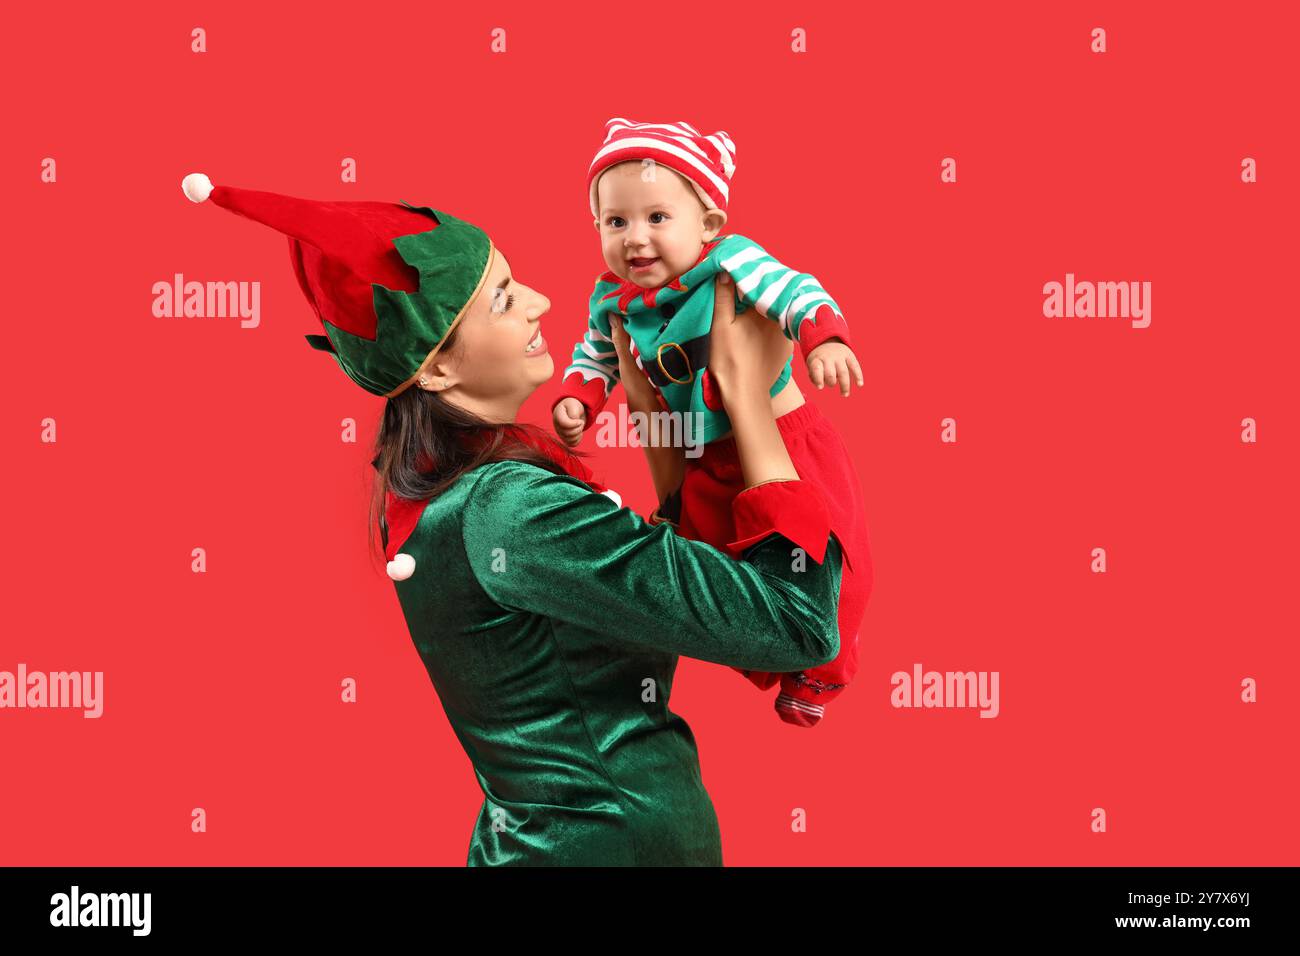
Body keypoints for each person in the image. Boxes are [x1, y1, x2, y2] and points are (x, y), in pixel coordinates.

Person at [180, 172, 848, 866]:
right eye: (502, 299)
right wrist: (756, 403)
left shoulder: (463, 499)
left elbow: (660, 580)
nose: (539, 302)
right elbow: (795, 625)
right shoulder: (511, 512)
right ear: (436, 371)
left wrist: (655, 420)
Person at [552, 117, 874, 726]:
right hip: (702, 456)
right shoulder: (610, 301)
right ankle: (775, 657)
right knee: (716, 561)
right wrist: (580, 402)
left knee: (835, 563)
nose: (635, 239)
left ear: (708, 225)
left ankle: (826, 672)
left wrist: (823, 340)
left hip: (789, 444)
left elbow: (794, 291)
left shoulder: (729, 264)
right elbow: (592, 357)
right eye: (615, 222)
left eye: (657, 218)